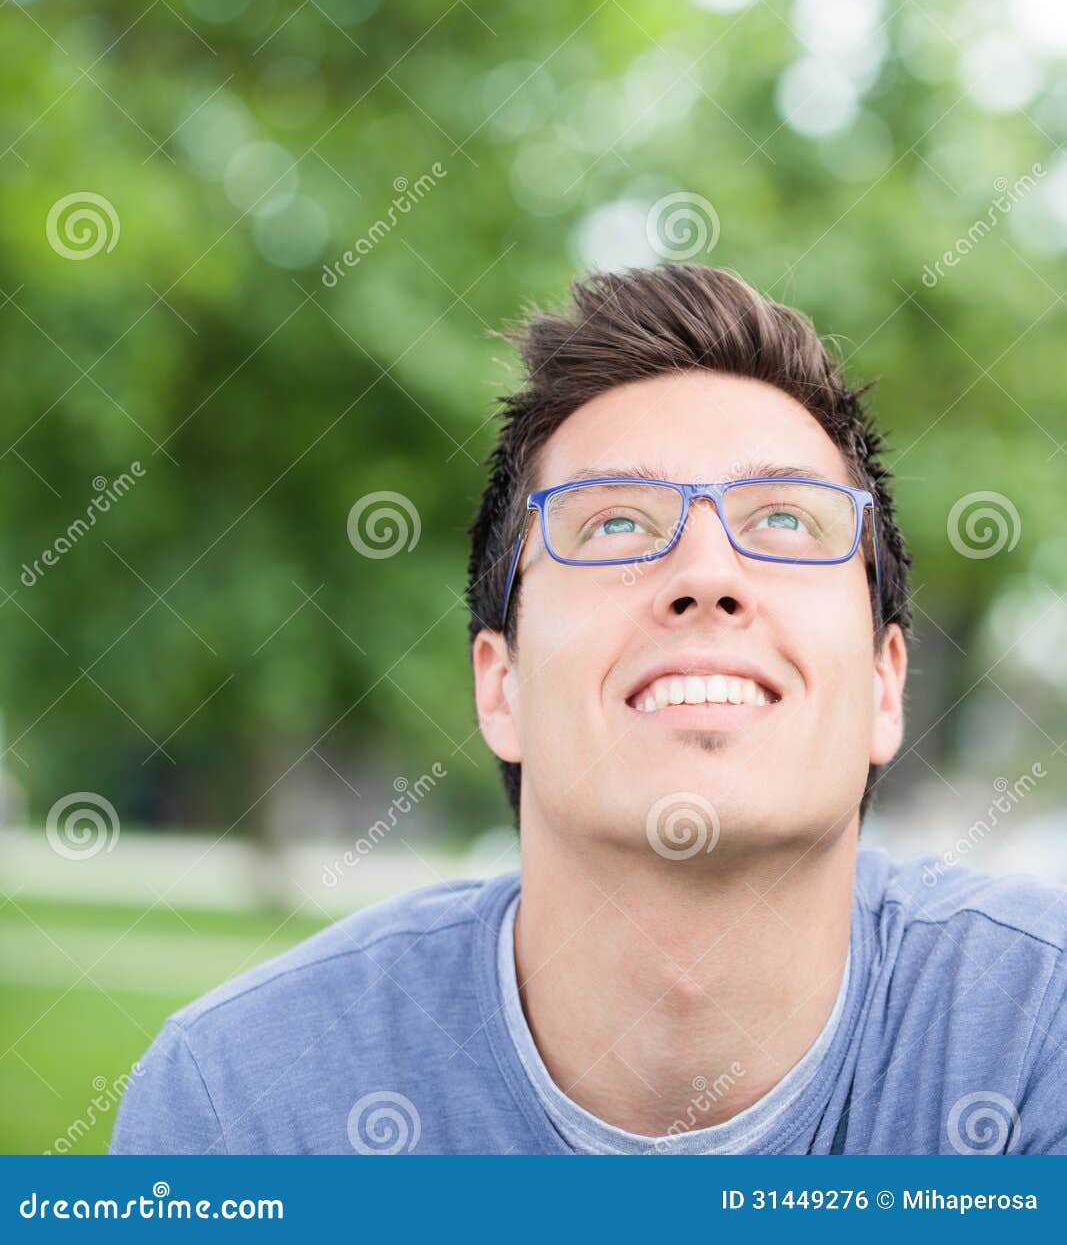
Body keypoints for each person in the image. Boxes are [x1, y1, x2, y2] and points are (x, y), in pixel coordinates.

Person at [110, 263, 1066, 1155]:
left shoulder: (1040, 1039)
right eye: (614, 523)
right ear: (502, 687)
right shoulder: (241, 1107)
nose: (706, 574)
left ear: (885, 686)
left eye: (784, 519)